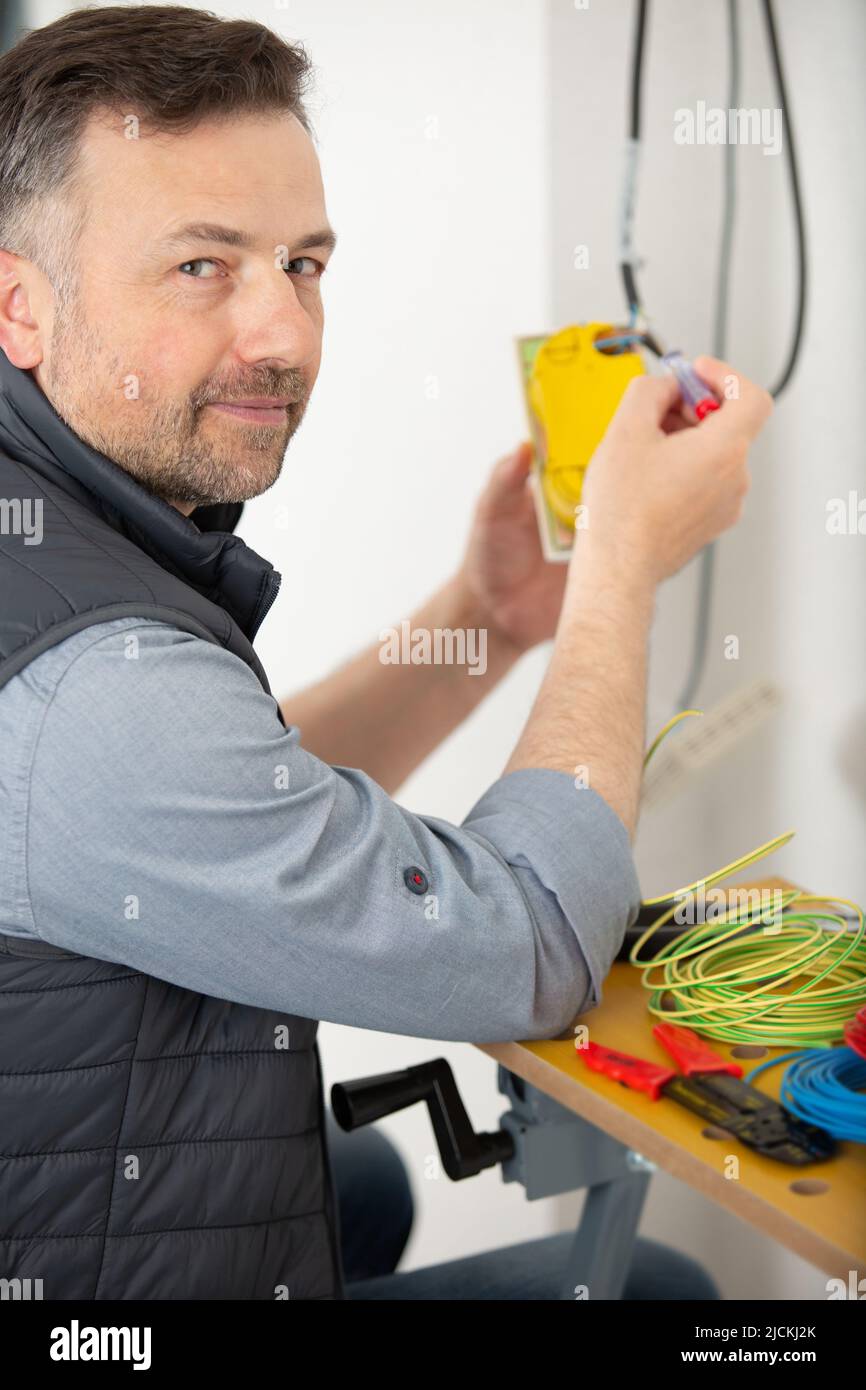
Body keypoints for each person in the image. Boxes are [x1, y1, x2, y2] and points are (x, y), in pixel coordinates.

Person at [0, 5, 771, 1301]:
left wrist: (491, 613)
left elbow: (234, 794)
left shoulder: (56, 544)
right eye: (203, 265)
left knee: (360, 1178)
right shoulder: (88, 695)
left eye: (301, 263)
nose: (286, 336)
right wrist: (622, 573)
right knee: (659, 1291)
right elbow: (526, 944)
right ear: (21, 304)